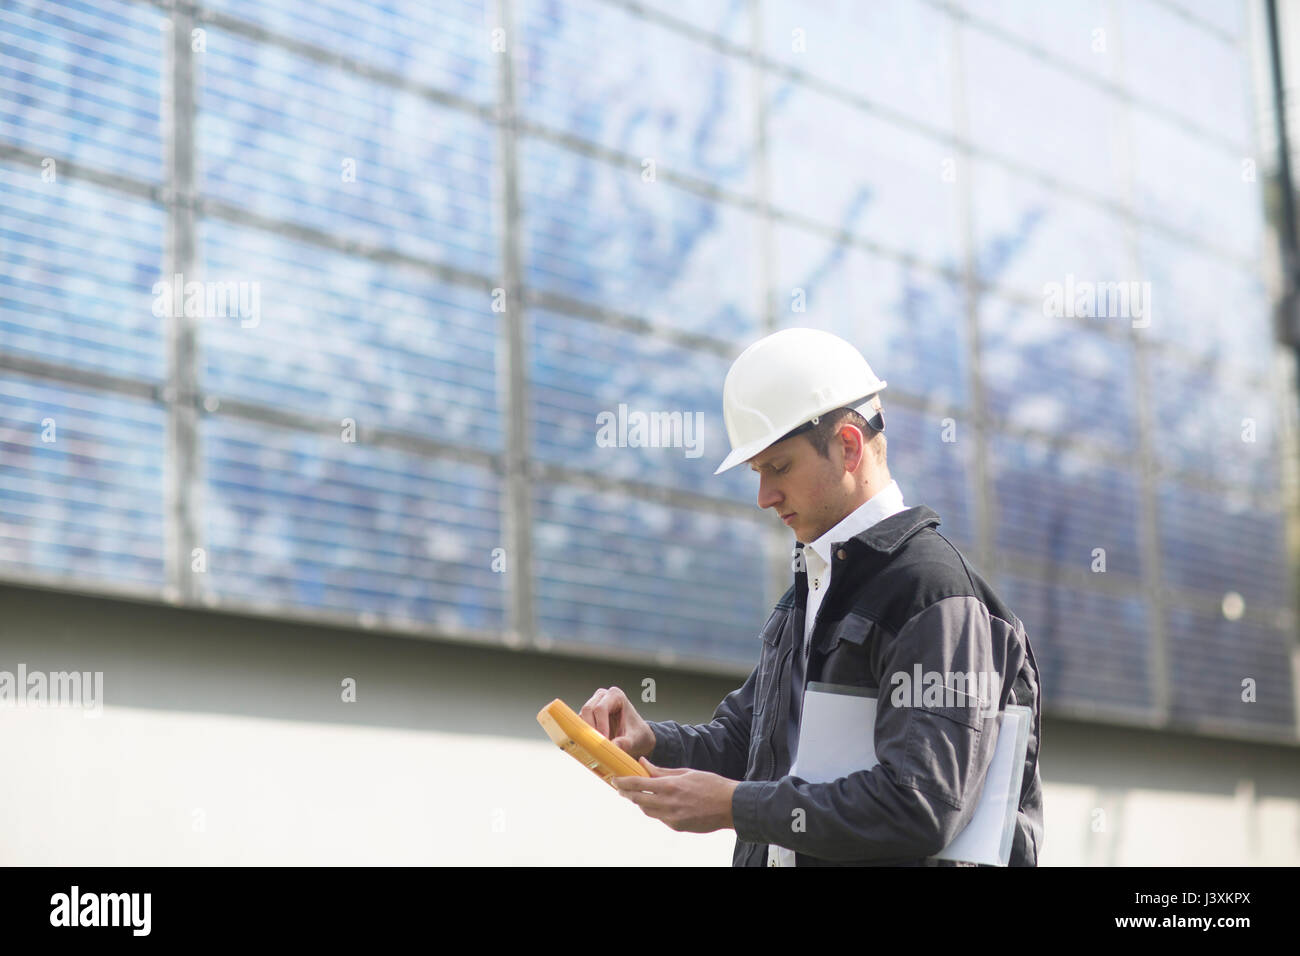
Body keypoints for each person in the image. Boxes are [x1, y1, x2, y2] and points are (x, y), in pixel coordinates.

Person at [580, 327, 1044, 866]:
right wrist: (651, 741)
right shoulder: (814, 590)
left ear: (848, 446)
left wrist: (737, 807)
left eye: (778, 467)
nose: (764, 497)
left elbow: (920, 805)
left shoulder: (932, 594)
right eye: (758, 473)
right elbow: (750, 744)